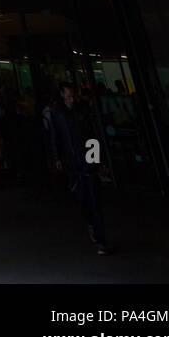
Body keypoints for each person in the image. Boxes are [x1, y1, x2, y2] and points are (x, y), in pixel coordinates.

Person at [50, 81, 113, 255]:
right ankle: (93, 226)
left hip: (85, 158)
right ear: (62, 95)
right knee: (83, 199)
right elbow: (56, 136)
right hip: (74, 160)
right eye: (68, 96)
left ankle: (100, 239)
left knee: (93, 198)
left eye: (73, 96)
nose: (71, 99)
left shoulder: (78, 111)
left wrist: (98, 161)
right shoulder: (58, 113)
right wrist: (57, 157)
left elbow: (92, 134)